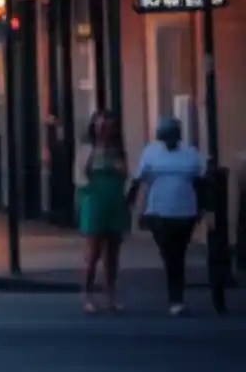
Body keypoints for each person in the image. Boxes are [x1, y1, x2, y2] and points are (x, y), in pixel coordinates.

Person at [128, 117, 205, 316]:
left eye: (173, 135)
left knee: (178, 254)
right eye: (166, 136)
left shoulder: (190, 154)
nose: (170, 139)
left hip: (185, 212)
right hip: (159, 212)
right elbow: (138, 182)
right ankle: (176, 296)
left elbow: (201, 184)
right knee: (169, 253)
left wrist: (203, 209)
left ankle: (176, 298)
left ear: (178, 136)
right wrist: (130, 205)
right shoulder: (151, 153)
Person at [75, 111, 129, 313]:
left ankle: (111, 296)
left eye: (108, 127)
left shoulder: (117, 151)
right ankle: (87, 295)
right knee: (93, 251)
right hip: (94, 199)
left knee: (112, 254)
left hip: (114, 199)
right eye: (100, 127)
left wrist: (117, 163)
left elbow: (125, 174)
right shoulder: (86, 150)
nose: (104, 131)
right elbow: (80, 177)